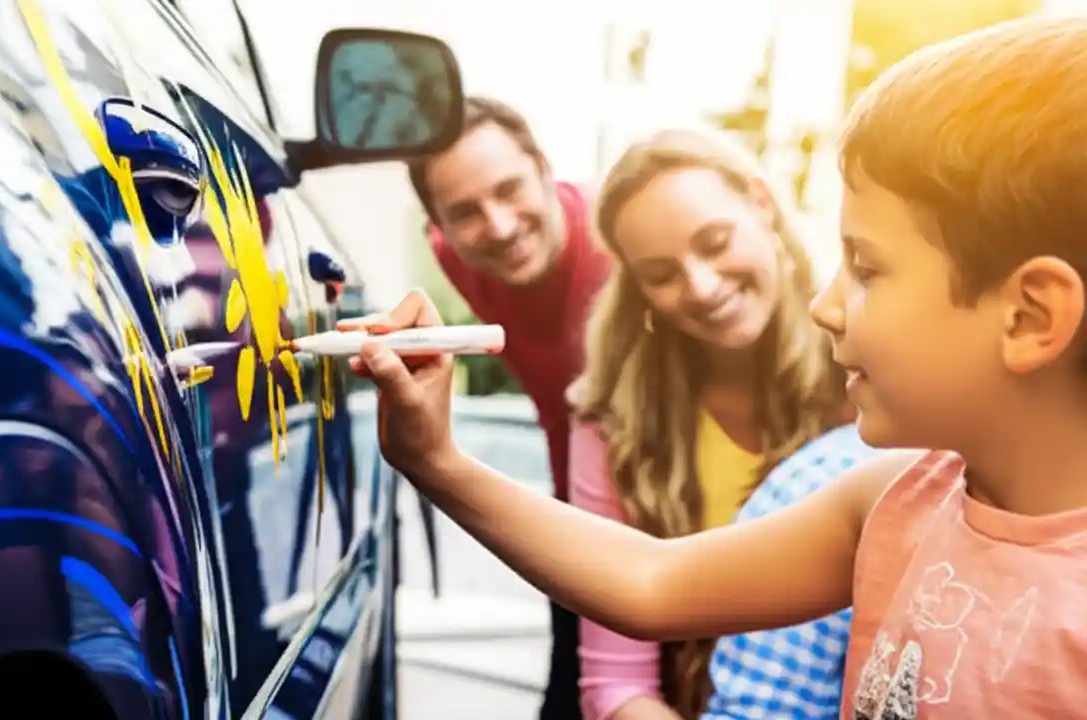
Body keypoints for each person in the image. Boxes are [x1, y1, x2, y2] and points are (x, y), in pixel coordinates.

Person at [350, 17, 1087, 718]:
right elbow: (652, 579)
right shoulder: (895, 499)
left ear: (1029, 318)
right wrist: (435, 460)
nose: (826, 304)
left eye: (865, 267)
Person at [565, 127, 878, 720]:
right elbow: (615, 683)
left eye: (715, 242)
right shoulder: (612, 420)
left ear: (761, 204)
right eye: (661, 274)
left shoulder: (871, 362)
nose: (702, 287)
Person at [405, 94, 612, 719]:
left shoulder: (620, 252)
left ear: (545, 169)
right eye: (465, 212)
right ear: (436, 230)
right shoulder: (456, 260)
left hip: (674, 515)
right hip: (575, 509)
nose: (497, 225)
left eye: (509, 189)